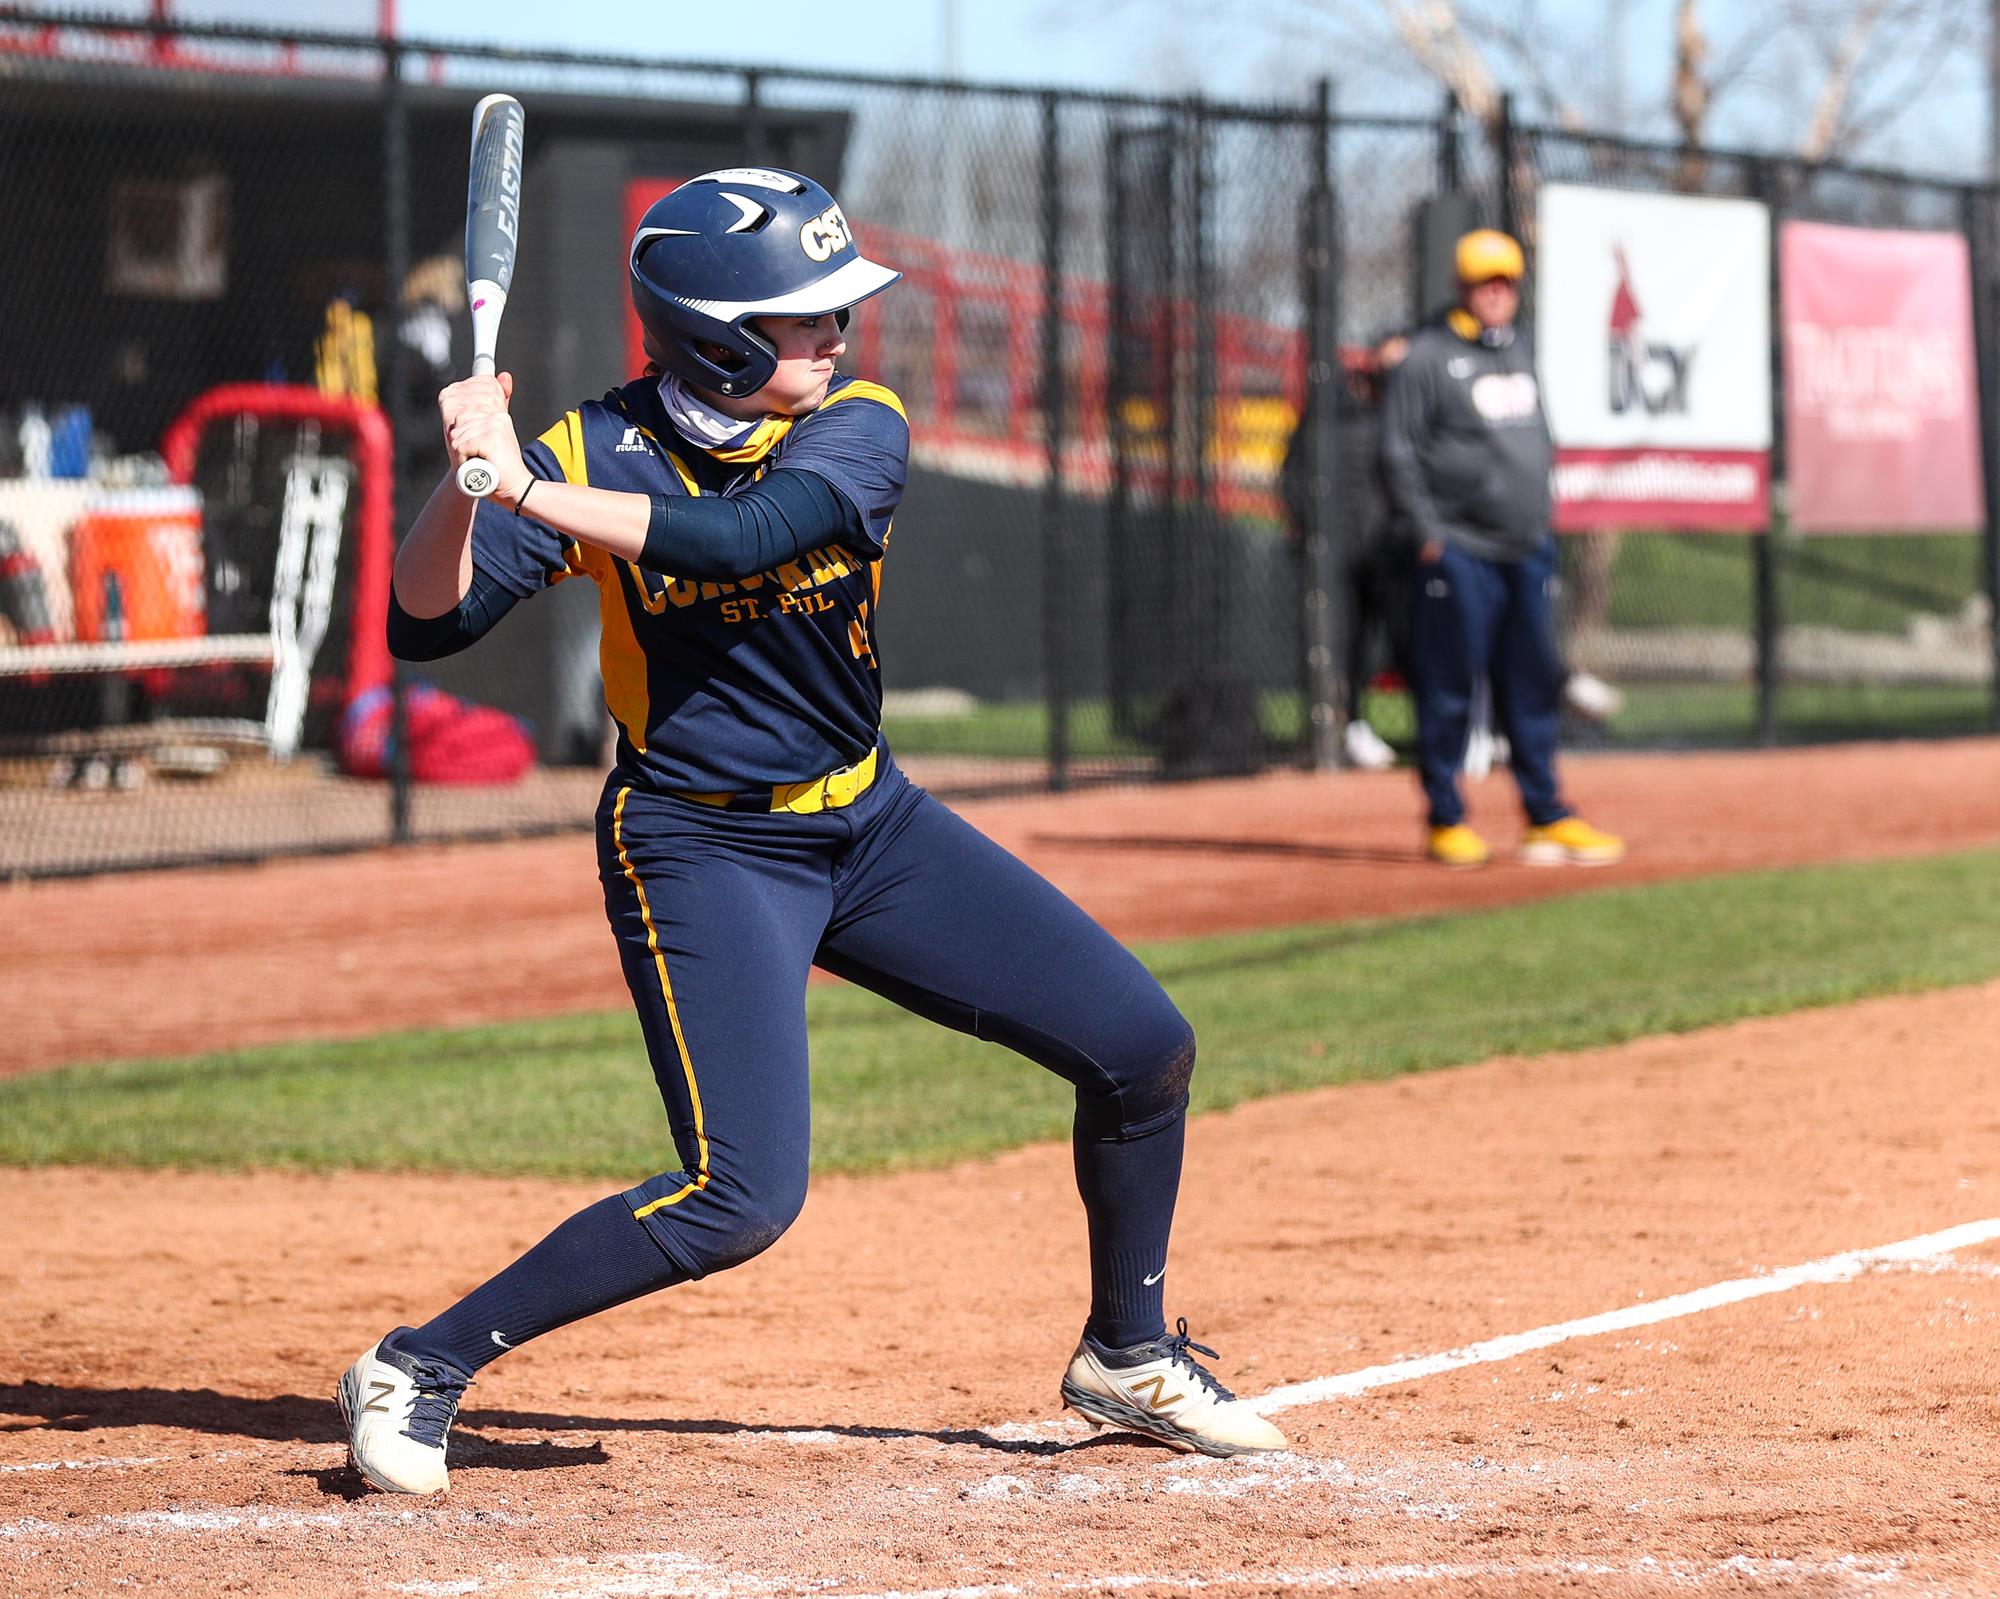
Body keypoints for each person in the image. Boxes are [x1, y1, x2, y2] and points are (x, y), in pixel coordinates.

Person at [334, 167, 1286, 1496]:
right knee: (740, 1198)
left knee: (1141, 1047)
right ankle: (416, 1362)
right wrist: (467, 481)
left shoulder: (858, 428)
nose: (837, 337)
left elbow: (743, 536)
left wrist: (530, 493)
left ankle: (1127, 1350)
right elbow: (422, 625)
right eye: (805, 319)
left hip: (870, 824)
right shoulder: (588, 450)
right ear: (716, 336)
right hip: (700, 846)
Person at [1377, 228, 1624, 869]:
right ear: (1463, 286)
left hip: (1525, 548)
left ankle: (1547, 815)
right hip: (1459, 549)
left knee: (1532, 684)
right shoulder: (1426, 358)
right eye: (1486, 282)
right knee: (1449, 686)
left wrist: (1541, 522)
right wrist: (1429, 539)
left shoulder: (1517, 346)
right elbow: (1397, 454)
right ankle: (1446, 818)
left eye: (1506, 283)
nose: (1497, 294)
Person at [1279, 330, 1411, 771]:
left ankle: (1368, 726)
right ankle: (1328, 730)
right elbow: (1292, 473)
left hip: (1384, 553)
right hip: (1331, 553)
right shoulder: (1328, 410)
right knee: (1330, 641)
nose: (1393, 373)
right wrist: (1303, 524)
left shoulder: (1405, 415)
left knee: (1381, 646)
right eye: (1387, 362)